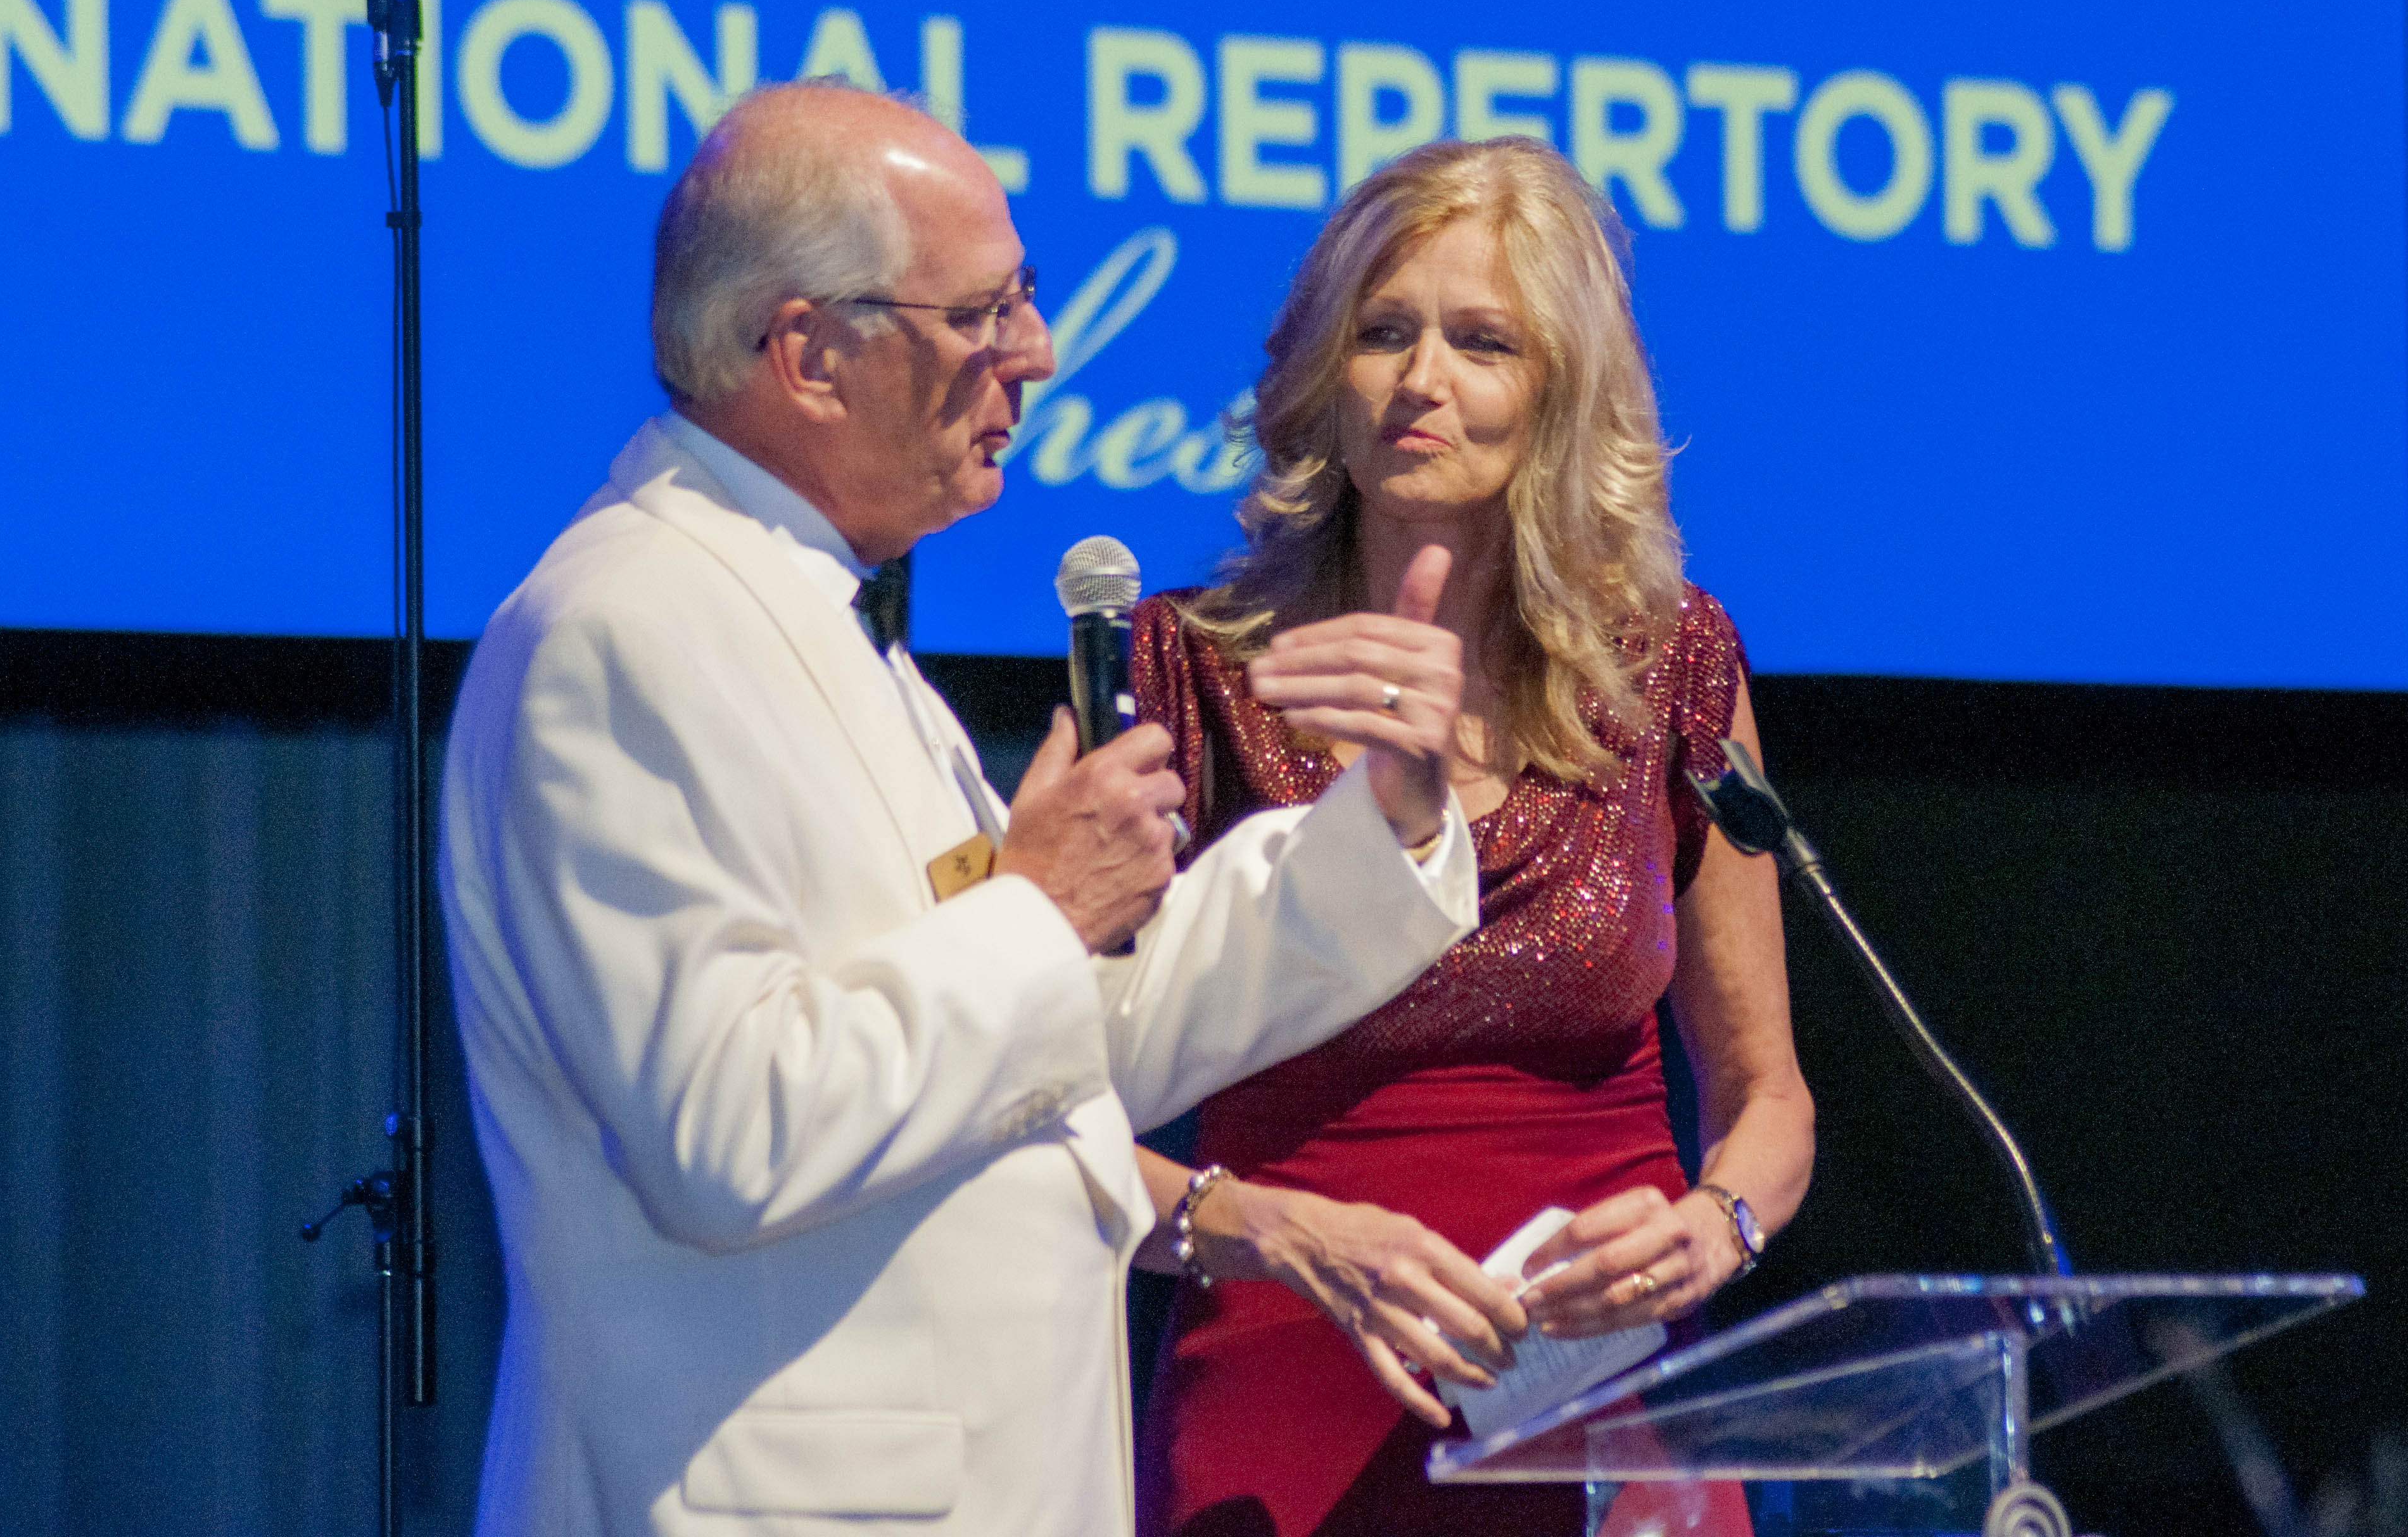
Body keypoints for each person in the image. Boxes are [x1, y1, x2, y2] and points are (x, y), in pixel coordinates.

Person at [438, 80, 1489, 1537]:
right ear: (807, 352)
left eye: (1025, 301)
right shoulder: (622, 630)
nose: (1037, 355)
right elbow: (726, 1127)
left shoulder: (813, 618)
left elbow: (1055, 1049)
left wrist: (1384, 820)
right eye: (980, 314)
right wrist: (1037, 907)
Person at [1128, 137, 1816, 1537]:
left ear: (1559, 390)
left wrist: (1711, 1229)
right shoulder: (1193, 668)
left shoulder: (1673, 665)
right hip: (1287, 1388)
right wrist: (1268, 1229)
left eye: (1480, 340)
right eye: (1383, 332)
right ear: (1326, 371)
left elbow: (1769, 1100)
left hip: (1604, 1399)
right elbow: (1032, 1118)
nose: (1420, 379)